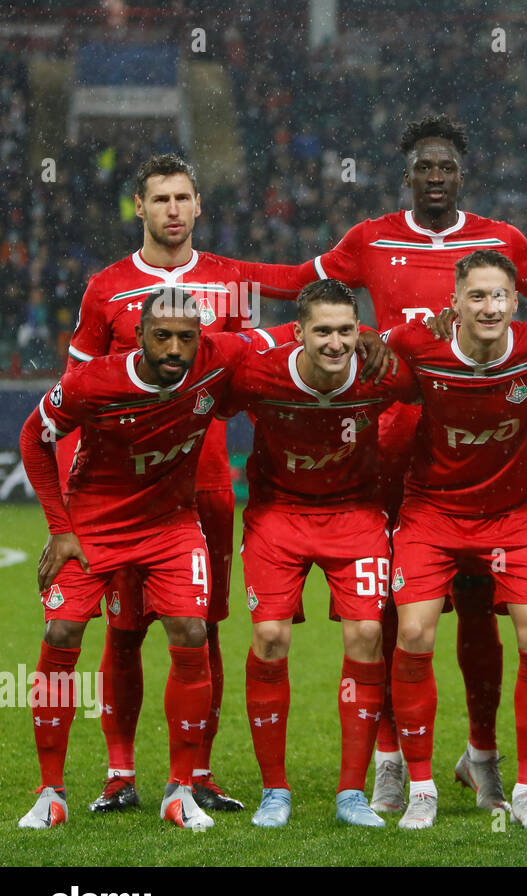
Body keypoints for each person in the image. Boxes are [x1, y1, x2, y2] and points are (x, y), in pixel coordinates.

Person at [298, 115, 527, 814]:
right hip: (394, 453)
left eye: (448, 166)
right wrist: (211, 275)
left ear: (462, 173)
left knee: (483, 612)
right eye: (426, 166)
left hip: (476, 447)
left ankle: (482, 756)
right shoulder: (371, 237)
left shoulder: (501, 242)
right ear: (409, 174)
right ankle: (391, 758)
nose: (438, 176)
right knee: (395, 615)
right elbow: (302, 287)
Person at [68, 153, 306, 815]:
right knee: (123, 631)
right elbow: (77, 396)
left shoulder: (231, 284)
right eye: (159, 199)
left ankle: (196, 774)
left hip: (203, 485)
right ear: (138, 208)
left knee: (202, 626)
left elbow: (257, 361)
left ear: (199, 206)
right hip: (125, 494)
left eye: (183, 198)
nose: (173, 210)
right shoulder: (105, 289)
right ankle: (120, 776)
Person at [18, 289, 286, 830]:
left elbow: (286, 333)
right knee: (63, 633)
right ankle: (50, 791)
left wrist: (371, 339)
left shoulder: (218, 357)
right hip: (94, 521)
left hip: (170, 522)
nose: (174, 348)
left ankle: (179, 790)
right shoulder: (92, 383)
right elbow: (33, 438)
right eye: (161, 335)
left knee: (191, 630)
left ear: (200, 339)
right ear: (138, 335)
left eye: (186, 338)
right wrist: (60, 528)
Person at [378, 250, 527, 831]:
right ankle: (421, 788)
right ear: (452, 303)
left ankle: (526, 788)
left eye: (499, 295)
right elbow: (356, 349)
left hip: (512, 513)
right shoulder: (416, 342)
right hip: (432, 511)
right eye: (476, 296)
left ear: (516, 302)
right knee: (415, 631)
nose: (489, 306)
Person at [220, 279, 420, 828]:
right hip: (278, 514)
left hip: (355, 515)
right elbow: (212, 398)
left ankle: (352, 794)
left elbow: (427, 393)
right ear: (300, 333)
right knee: (269, 636)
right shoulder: (261, 374)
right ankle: (274, 792)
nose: (336, 344)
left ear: (360, 331)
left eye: (346, 331)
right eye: (323, 331)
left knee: (366, 634)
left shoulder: (379, 373)